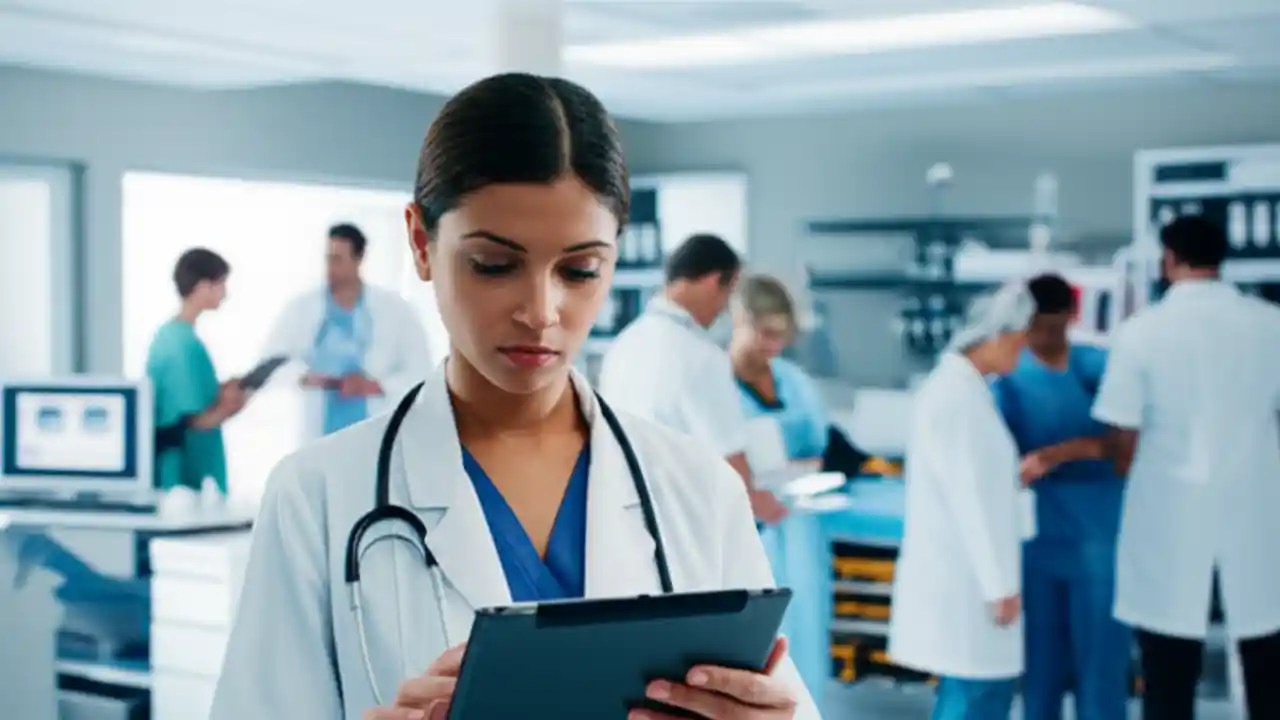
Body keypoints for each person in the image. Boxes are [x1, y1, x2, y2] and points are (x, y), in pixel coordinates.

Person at [210, 73, 818, 720]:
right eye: (494, 265)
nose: (541, 311)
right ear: (421, 242)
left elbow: (785, 708)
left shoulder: (699, 490)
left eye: (581, 271)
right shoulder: (318, 498)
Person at [1092, 215, 1280, 720]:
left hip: (1170, 518)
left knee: (1168, 673)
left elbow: (1121, 436)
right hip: (1258, 513)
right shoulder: (1271, 325)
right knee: (1268, 664)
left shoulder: (1140, 333)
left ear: (1167, 259)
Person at [888, 284, 1035, 720]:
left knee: (976, 696)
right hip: (971, 588)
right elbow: (972, 501)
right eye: (1019, 340)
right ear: (996, 335)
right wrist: (999, 586)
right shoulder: (956, 398)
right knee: (975, 698)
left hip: (974, 585)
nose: (1022, 352)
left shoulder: (966, 391)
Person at [991, 273, 1129, 720]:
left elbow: (1124, 444)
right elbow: (994, 444)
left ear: (1073, 317)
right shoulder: (1011, 377)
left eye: (1055, 328)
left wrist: (1057, 454)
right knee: (1040, 666)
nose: (1046, 339)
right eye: (1037, 329)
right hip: (1038, 538)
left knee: (1100, 665)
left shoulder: (1097, 366)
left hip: (1098, 534)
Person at [599, 235, 788, 524]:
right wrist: (757, 501)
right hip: (683, 522)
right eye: (729, 293)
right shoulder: (700, 355)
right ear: (714, 281)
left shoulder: (622, 346)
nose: (724, 308)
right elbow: (730, 459)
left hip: (623, 515)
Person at [264, 223, 432, 436]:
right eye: (328, 259)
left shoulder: (396, 311)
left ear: (359, 258)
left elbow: (420, 371)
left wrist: (375, 386)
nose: (330, 268)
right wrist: (305, 377)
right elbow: (271, 363)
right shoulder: (302, 308)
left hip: (374, 427)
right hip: (318, 426)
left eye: (337, 260)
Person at [728, 274, 868, 476]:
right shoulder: (717, 385)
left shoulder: (793, 379)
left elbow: (822, 442)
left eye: (781, 335)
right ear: (739, 321)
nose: (775, 345)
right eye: (766, 333)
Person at [146, 248, 247, 494]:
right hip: (182, 476)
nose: (225, 293)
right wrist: (231, 406)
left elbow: (192, 398)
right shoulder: (182, 344)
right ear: (203, 286)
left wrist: (221, 391)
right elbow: (194, 421)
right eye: (221, 283)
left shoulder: (172, 336)